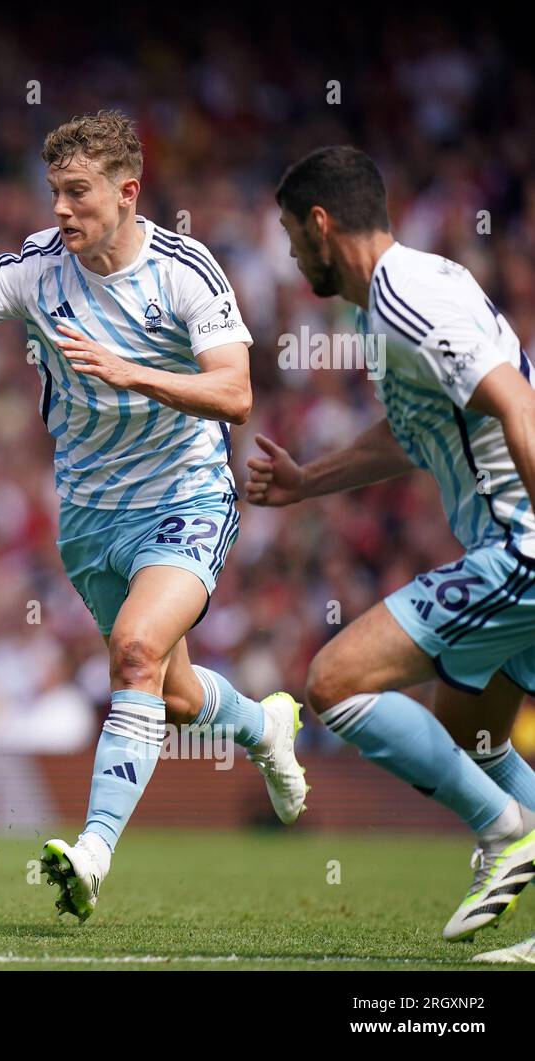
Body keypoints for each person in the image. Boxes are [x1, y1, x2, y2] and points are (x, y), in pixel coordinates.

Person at [0, 110, 307, 922]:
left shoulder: (185, 271)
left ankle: (92, 852)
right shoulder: (38, 266)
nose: (60, 209)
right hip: (90, 516)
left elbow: (235, 394)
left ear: (128, 193)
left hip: (185, 498)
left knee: (134, 652)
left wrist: (134, 374)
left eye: (77, 193)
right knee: (168, 691)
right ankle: (264, 726)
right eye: (53, 191)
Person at [257, 144, 535, 941]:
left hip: (522, 547)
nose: (288, 253)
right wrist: (309, 480)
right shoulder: (402, 295)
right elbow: (413, 432)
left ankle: (506, 830)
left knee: (336, 682)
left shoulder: (410, 297)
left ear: (320, 224)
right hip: (510, 549)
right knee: (468, 731)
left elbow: (517, 402)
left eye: (289, 234)